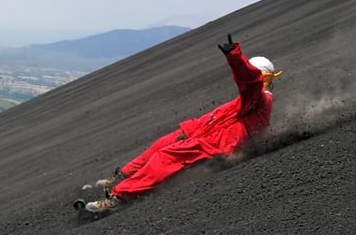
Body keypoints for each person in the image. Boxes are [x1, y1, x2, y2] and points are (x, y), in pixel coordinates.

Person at [84, 33, 281, 214]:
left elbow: (249, 80)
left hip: (217, 143)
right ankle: (122, 178)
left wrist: (235, 57)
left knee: (165, 156)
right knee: (160, 145)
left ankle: (119, 196)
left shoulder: (259, 97)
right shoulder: (254, 99)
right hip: (200, 131)